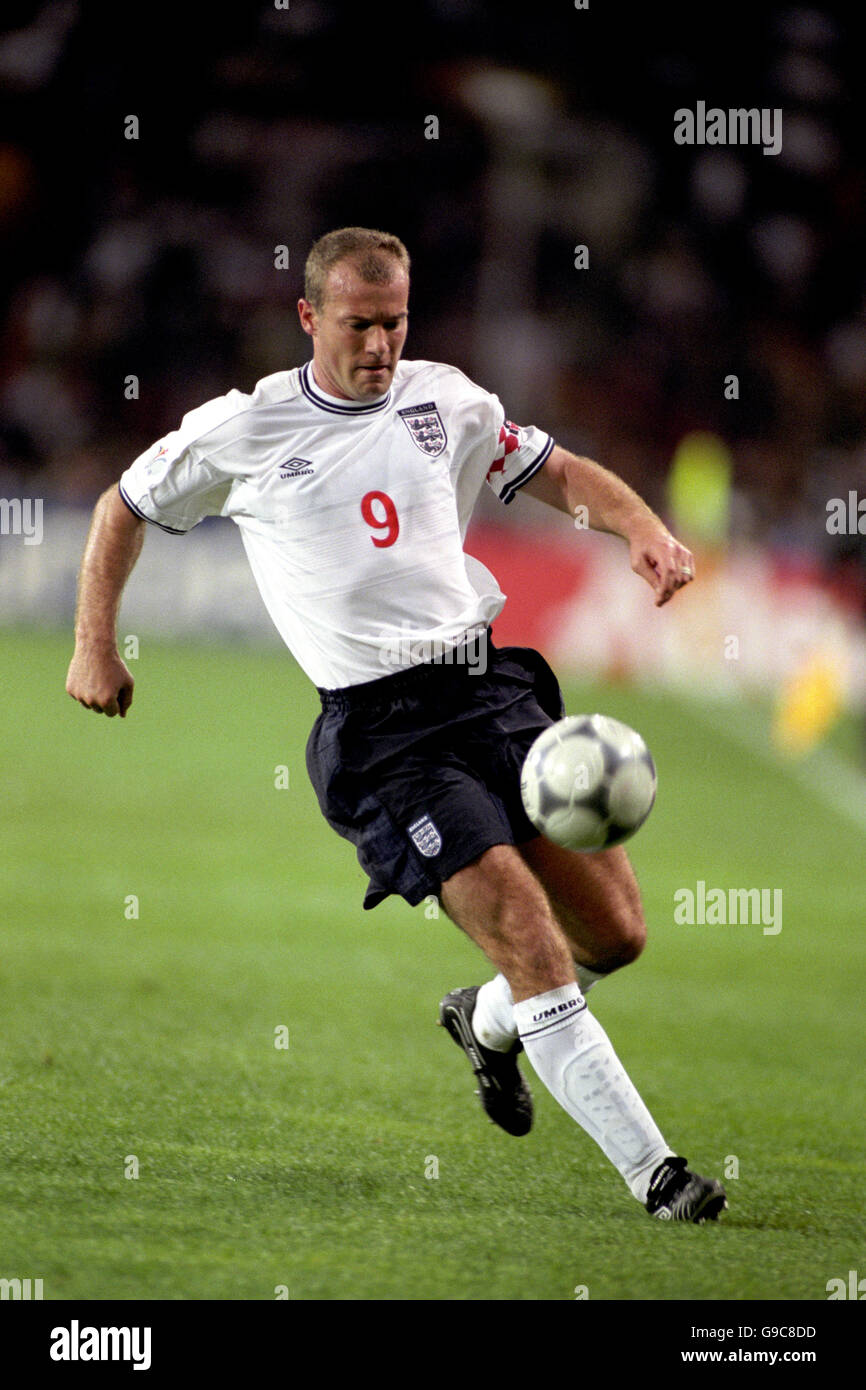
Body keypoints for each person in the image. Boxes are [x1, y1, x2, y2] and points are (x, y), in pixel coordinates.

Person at [66, 226, 726, 1223]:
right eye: (358, 323)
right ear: (308, 317)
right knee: (528, 938)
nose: (379, 343)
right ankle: (659, 1176)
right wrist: (93, 644)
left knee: (617, 935)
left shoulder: (445, 398)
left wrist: (640, 527)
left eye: (395, 321)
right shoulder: (244, 428)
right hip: (385, 738)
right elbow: (124, 504)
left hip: (491, 692)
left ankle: (486, 1021)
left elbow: (553, 471)